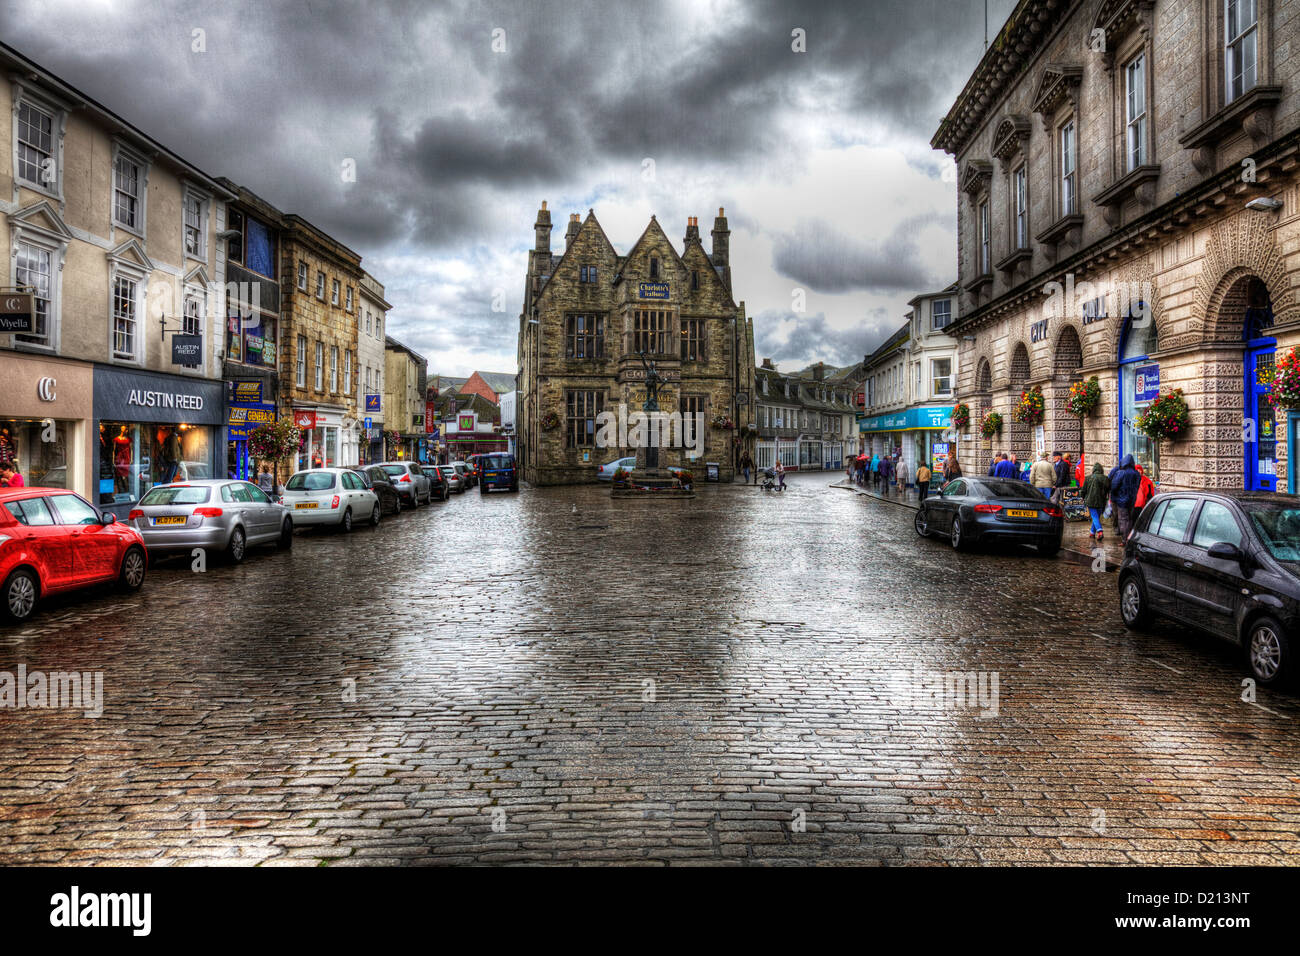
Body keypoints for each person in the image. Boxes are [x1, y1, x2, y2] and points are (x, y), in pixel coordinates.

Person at [1108, 454, 1141, 539]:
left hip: (1121, 500)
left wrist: (1114, 495)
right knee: (1129, 519)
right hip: (1132, 499)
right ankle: (1129, 536)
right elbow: (1137, 486)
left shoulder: (1121, 472)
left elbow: (1114, 486)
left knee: (1123, 519)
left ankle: (1125, 539)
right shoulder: (1136, 474)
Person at [1082, 462, 1111, 540]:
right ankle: (1092, 533)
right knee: (1096, 517)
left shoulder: (1088, 478)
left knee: (1094, 517)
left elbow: (1083, 490)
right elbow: (1109, 490)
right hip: (1101, 501)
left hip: (1090, 501)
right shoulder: (1105, 478)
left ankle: (1100, 531)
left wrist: (1083, 498)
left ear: (1093, 470)